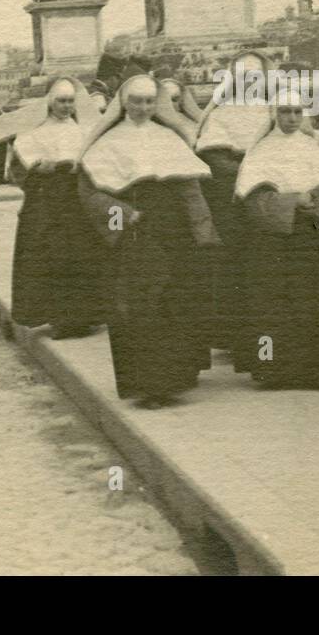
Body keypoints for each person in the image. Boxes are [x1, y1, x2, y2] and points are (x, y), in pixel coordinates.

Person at [77, 73, 218, 406]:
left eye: (148, 101)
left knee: (176, 301)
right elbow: (90, 195)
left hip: (174, 230)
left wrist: (203, 231)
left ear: (158, 104)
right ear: (123, 102)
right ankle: (149, 385)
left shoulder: (169, 138)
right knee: (141, 305)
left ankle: (177, 377)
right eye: (135, 101)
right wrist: (123, 217)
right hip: (135, 230)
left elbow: (189, 189)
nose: (142, 107)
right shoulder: (106, 143)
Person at [232, 93, 319, 389]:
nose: (292, 118)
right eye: (285, 112)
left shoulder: (313, 146)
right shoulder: (260, 152)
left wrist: (316, 207)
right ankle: (277, 372)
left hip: (313, 235)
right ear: (274, 114)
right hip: (275, 242)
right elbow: (253, 200)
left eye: (297, 112)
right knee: (276, 305)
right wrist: (292, 201)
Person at [0, 76, 105, 338]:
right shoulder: (34, 129)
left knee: (82, 254)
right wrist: (42, 165)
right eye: (61, 101)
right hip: (46, 200)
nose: (66, 107)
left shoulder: (81, 129)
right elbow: (26, 160)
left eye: (70, 101)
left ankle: (84, 317)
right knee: (51, 255)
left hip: (76, 197)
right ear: (50, 102)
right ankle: (59, 319)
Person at [193, 51, 273, 348]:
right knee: (234, 262)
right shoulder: (220, 113)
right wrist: (249, 173)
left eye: (255, 76)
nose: (249, 82)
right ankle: (233, 336)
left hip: (268, 193)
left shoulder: (270, 109)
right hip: (232, 195)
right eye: (243, 76)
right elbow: (213, 156)